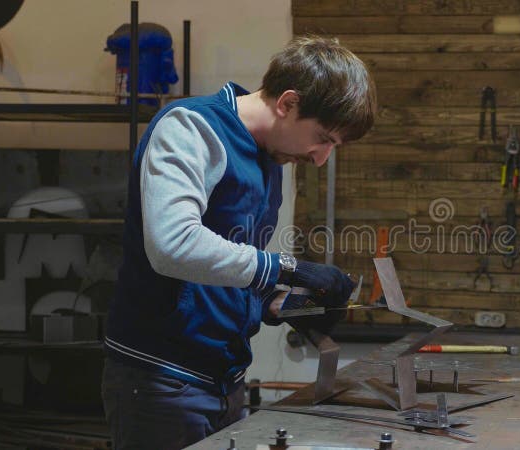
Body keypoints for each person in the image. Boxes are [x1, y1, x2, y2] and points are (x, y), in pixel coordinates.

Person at [101, 35, 376, 450]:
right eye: (323, 139)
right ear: (287, 104)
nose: (321, 158)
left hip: (224, 382)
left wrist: (291, 305)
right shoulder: (191, 127)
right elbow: (173, 245)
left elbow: (229, 267)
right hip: (162, 380)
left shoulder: (269, 156)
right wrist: (290, 267)